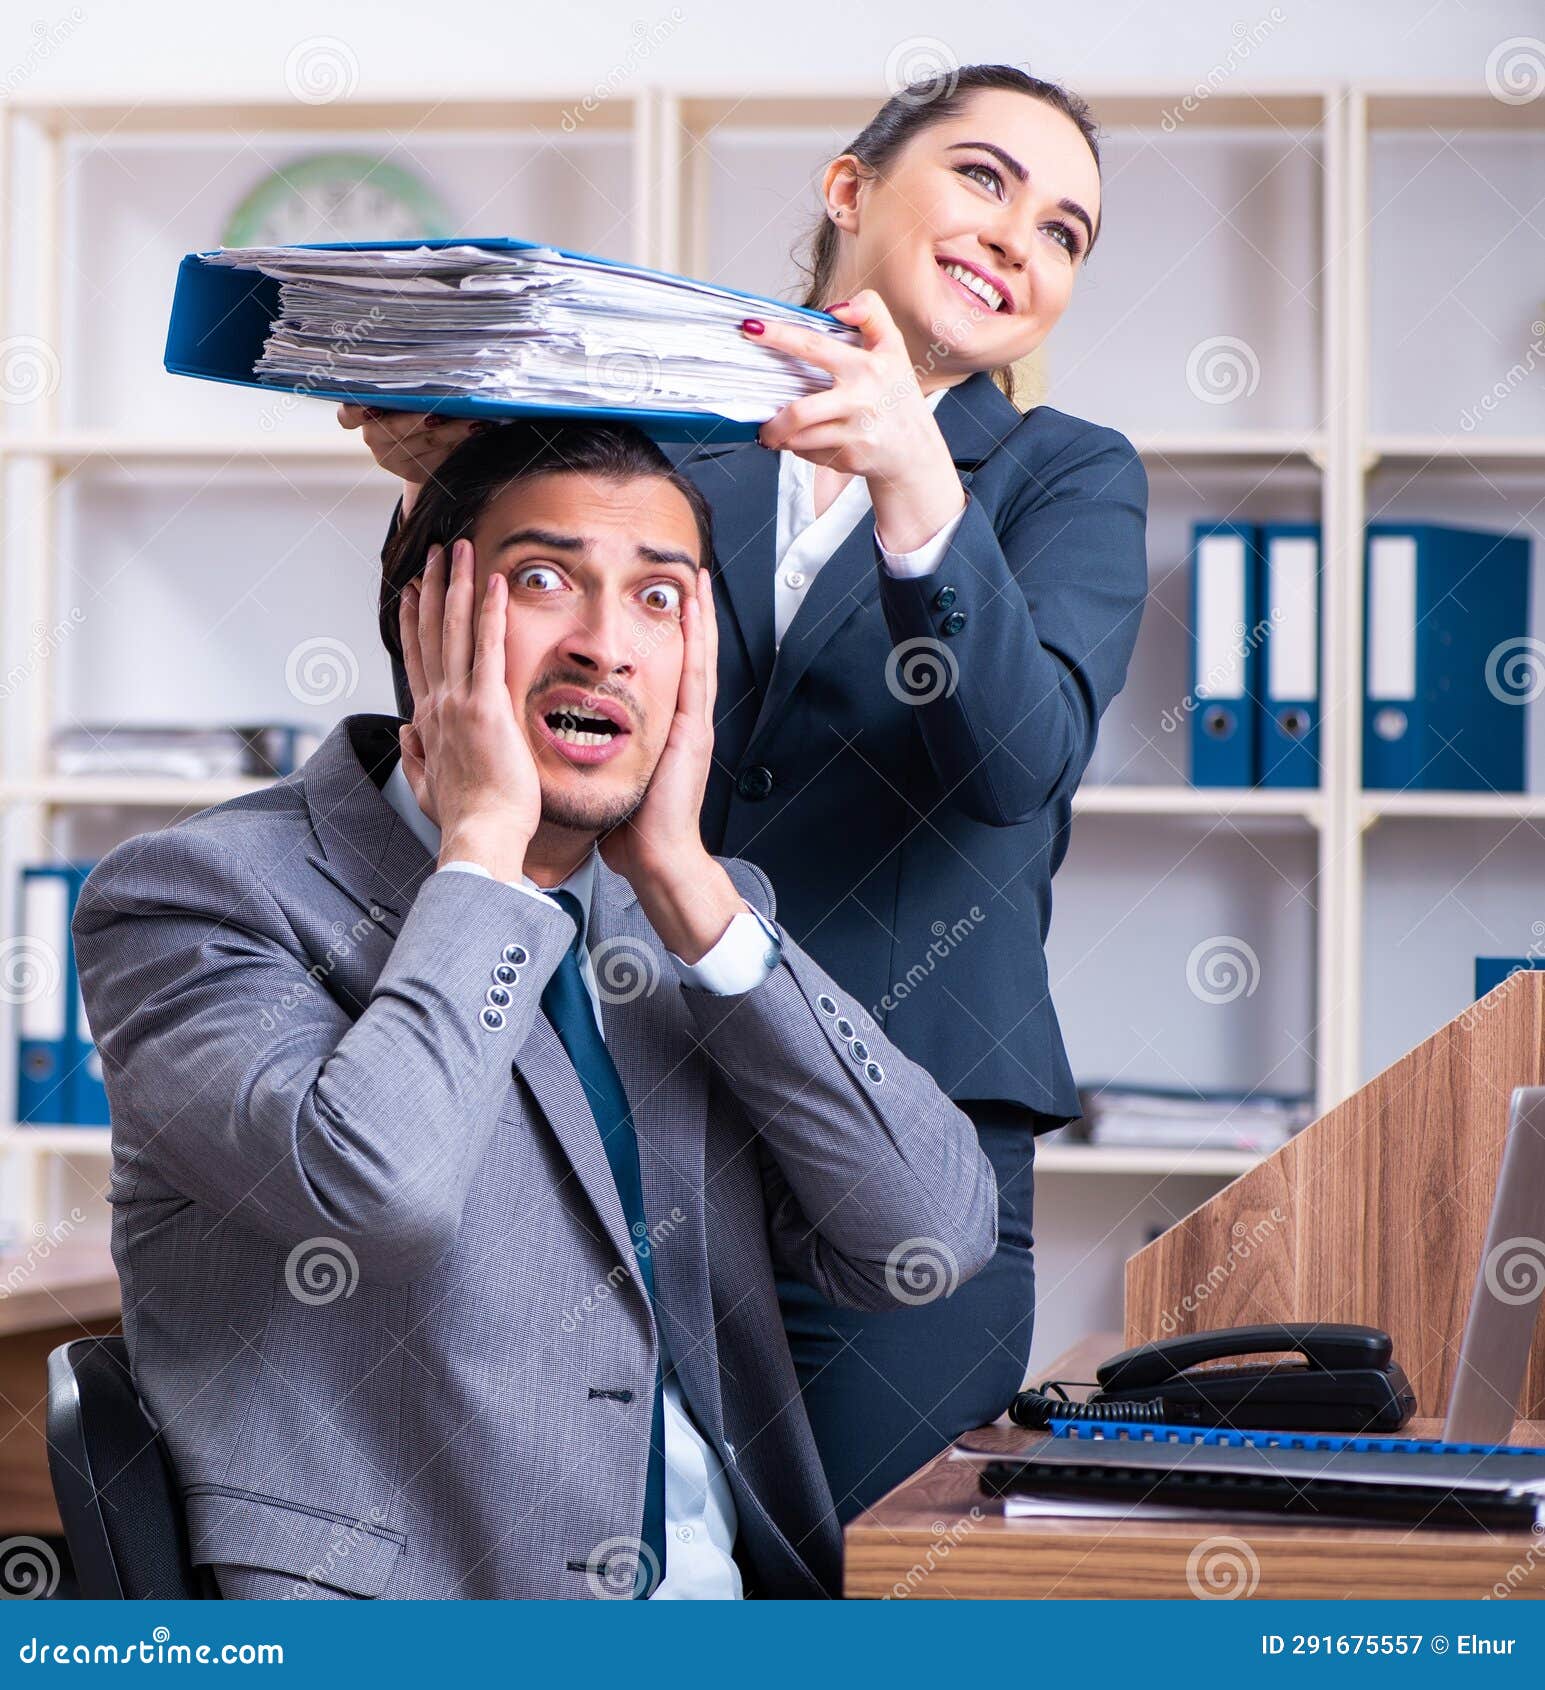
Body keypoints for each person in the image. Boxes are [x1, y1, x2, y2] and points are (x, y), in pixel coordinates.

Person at [342, 63, 1149, 1520]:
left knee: (857, 1574)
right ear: (850, 189)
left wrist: (916, 484)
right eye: (983, 178)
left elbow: (1014, 764)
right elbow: (481, 693)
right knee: (608, 1537)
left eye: (1065, 232)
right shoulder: (659, 436)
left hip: (906, 1128)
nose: (1018, 237)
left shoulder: (1057, 478)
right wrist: (436, 494)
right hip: (628, 1084)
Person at [70, 419, 996, 1601]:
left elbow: (931, 1236)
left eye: (660, 599)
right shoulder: (200, 897)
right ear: (425, 618)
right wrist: (484, 857)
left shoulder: (690, 923)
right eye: (545, 581)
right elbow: (376, 1187)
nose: (606, 646)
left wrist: (695, 893)